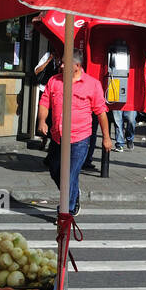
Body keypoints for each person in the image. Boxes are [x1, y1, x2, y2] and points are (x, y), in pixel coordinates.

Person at [37, 50, 113, 214]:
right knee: (54, 169)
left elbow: (101, 112)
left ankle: (67, 210)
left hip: (80, 138)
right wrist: (42, 121)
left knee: (70, 175)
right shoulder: (54, 81)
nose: (61, 65)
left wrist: (106, 137)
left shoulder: (92, 84)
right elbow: (44, 102)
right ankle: (73, 194)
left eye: (65, 63)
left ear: (77, 66)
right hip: (58, 137)